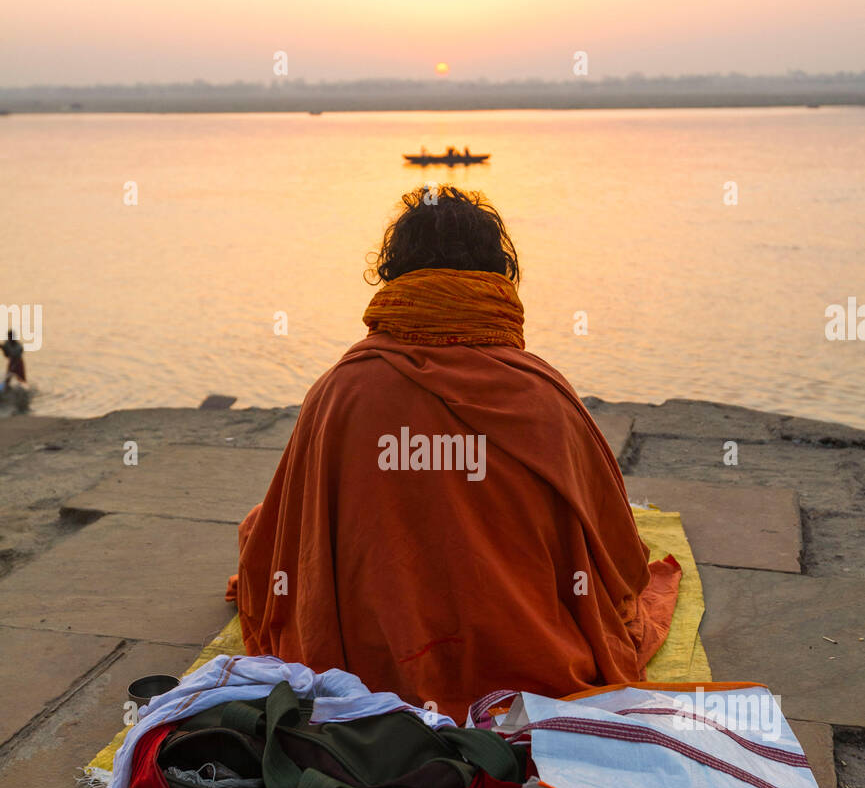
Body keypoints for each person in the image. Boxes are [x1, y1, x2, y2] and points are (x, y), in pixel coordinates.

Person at [227, 187, 680, 721]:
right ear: (496, 271)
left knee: (264, 526)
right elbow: (619, 557)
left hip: (367, 663)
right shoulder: (542, 395)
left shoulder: (341, 391)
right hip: (531, 654)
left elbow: (290, 536)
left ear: (396, 273)